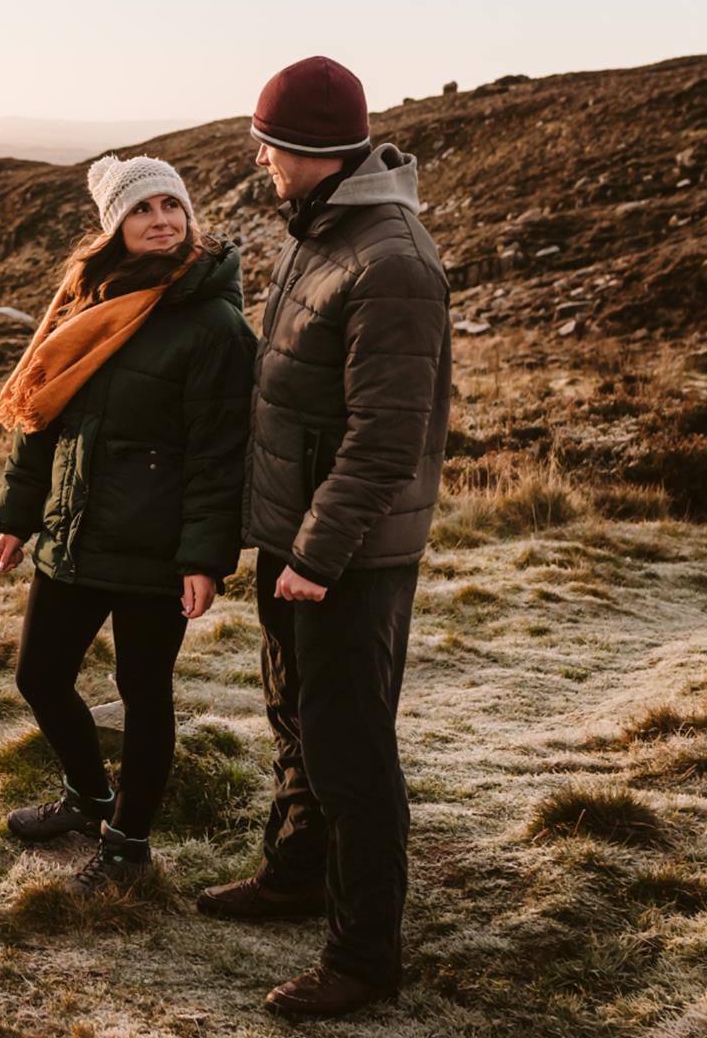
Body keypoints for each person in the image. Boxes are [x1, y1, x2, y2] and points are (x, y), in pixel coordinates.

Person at [194, 57, 451, 1019]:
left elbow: (386, 441)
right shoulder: (323, 230)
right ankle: (295, 875)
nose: (259, 157)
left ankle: (363, 959)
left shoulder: (392, 262)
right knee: (297, 721)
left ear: (313, 152)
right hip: (293, 537)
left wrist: (314, 556)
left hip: (345, 555)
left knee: (350, 753)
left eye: (272, 144)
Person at [0, 153, 256, 896]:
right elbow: (42, 424)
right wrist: (18, 517)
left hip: (156, 549)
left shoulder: (214, 323)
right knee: (39, 675)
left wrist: (203, 558)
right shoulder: (88, 303)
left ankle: (128, 846)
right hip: (74, 531)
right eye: (142, 209)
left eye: (171, 205)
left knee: (144, 689)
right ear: (115, 227)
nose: (161, 220)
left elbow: (219, 457)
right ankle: (89, 796)